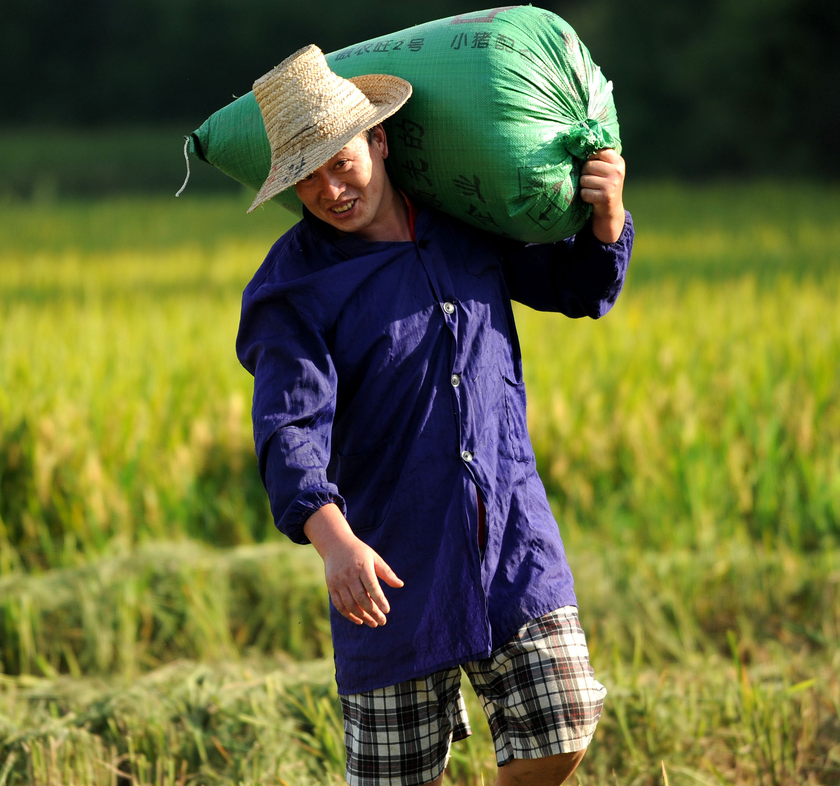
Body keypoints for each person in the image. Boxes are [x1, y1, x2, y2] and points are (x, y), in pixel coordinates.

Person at [235, 45, 632, 786]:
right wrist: (334, 543)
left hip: (510, 536)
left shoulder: (464, 226)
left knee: (565, 718)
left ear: (378, 141)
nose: (330, 189)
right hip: (390, 564)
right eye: (306, 177)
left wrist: (606, 215)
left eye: (341, 162)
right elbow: (288, 429)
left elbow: (574, 285)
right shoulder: (292, 289)